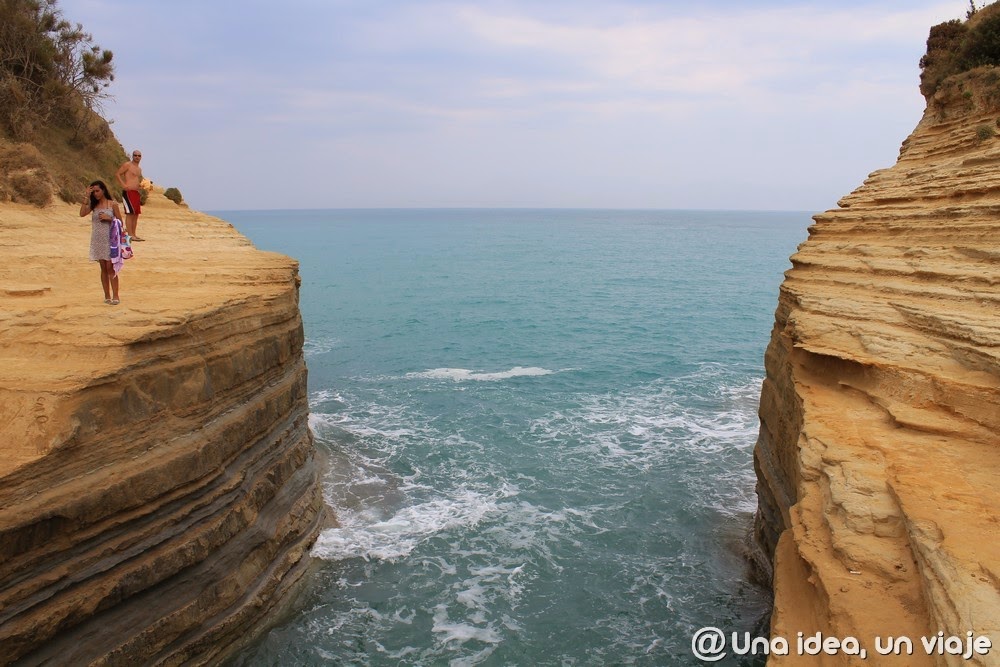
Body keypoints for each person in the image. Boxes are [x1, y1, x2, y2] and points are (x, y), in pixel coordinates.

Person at [80, 180, 124, 305]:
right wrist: (86, 197)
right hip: (97, 240)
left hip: (110, 240)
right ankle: (107, 295)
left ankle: (116, 295)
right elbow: (82, 213)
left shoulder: (112, 204)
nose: (96, 194)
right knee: (103, 268)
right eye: (93, 192)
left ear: (103, 190)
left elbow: (120, 222)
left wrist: (109, 218)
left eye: (97, 191)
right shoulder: (94, 205)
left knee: (111, 268)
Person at [116, 149, 144, 240]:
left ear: (141, 157)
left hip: (136, 192)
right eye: (135, 155)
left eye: (139, 155)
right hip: (128, 192)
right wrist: (123, 185)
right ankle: (130, 235)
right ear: (133, 156)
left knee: (136, 214)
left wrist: (141, 186)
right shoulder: (127, 165)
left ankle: (134, 234)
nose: (137, 157)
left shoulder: (139, 169)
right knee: (130, 213)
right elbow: (118, 174)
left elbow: (136, 180)